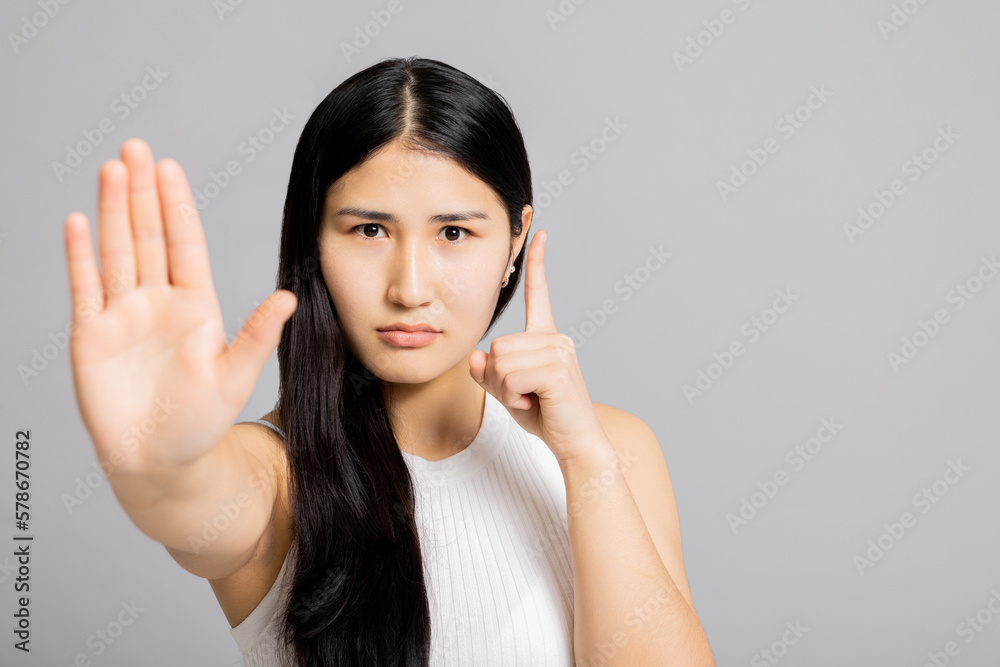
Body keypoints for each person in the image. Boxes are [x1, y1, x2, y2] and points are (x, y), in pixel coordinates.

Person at [63, 57, 715, 666]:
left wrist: (584, 459)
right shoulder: (275, 474)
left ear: (516, 237)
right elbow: (190, 500)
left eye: (453, 232)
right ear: (312, 239)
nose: (409, 287)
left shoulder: (616, 448)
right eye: (369, 230)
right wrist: (160, 460)